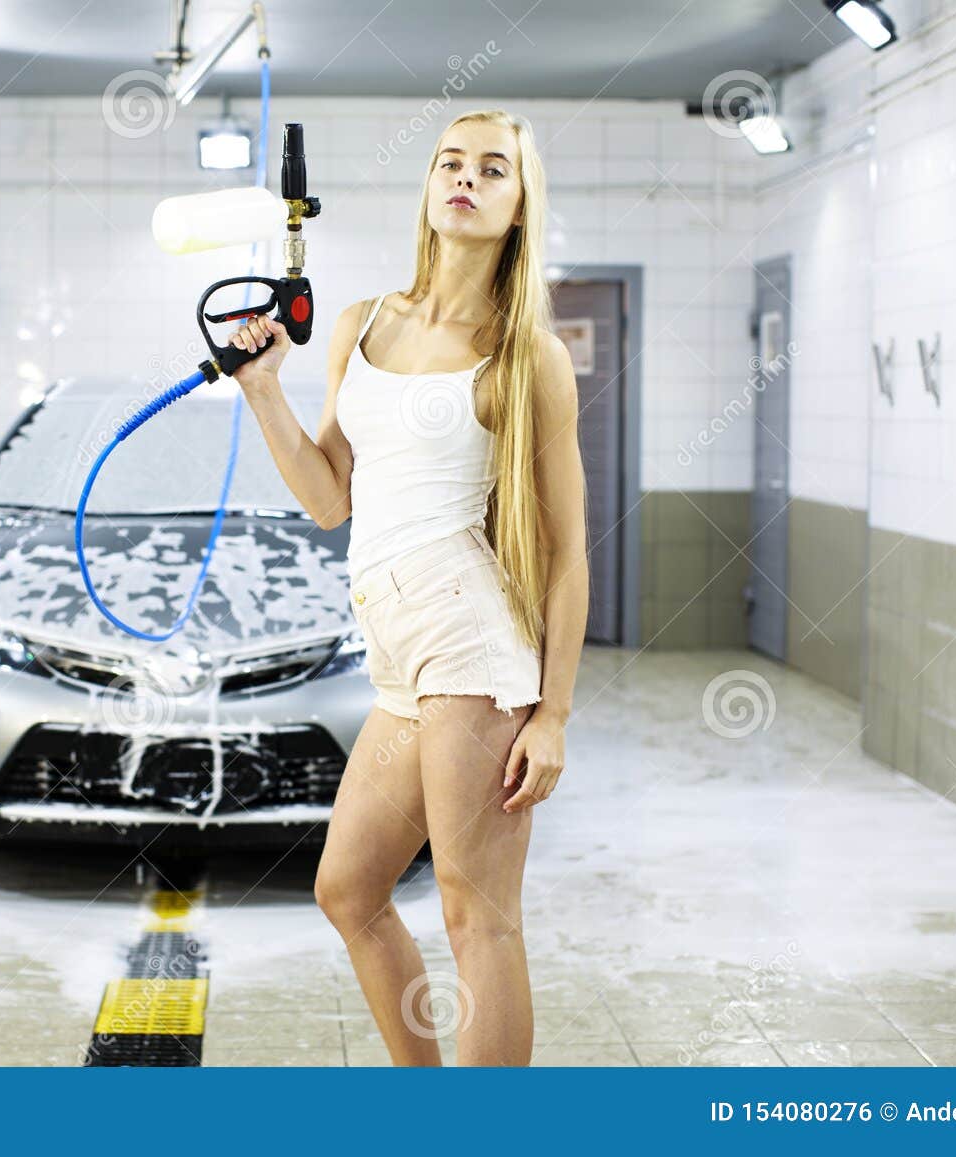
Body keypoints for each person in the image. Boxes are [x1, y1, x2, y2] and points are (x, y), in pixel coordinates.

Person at [229, 108, 588, 1066]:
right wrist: (264, 390)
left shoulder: (526, 354)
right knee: (348, 890)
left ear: (518, 207)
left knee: (478, 915)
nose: (465, 179)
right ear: (428, 185)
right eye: (450, 163)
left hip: (467, 644)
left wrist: (550, 713)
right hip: (392, 648)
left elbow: (568, 552)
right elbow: (329, 498)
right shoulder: (365, 322)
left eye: (493, 170)